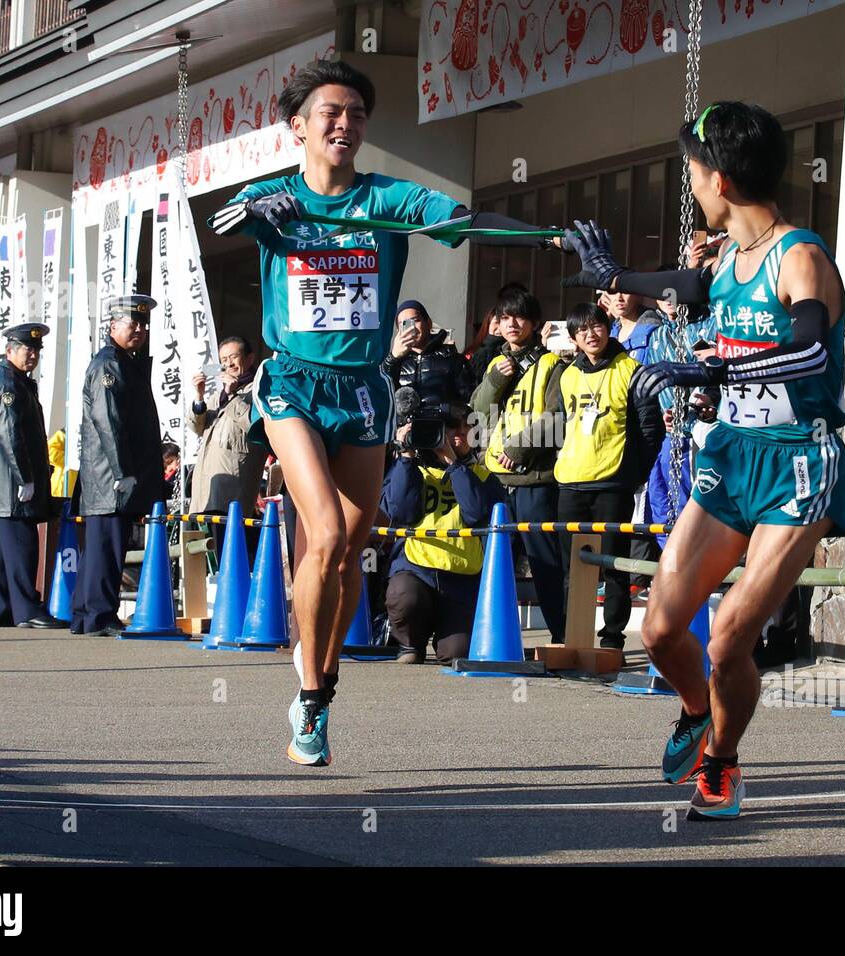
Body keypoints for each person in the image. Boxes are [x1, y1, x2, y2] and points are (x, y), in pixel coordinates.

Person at [206, 60, 562, 767]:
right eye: (330, 113)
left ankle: (322, 669)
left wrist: (546, 237)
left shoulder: (387, 200)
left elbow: (462, 220)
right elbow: (228, 215)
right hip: (293, 384)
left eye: (357, 115)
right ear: (299, 126)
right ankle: (311, 696)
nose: (344, 125)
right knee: (329, 531)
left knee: (346, 550)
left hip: (363, 389)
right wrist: (255, 209)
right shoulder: (275, 196)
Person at [564, 101, 845, 820]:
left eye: (691, 173)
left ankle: (722, 764)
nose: (690, 186)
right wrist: (613, 271)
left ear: (719, 179)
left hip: (797, 464)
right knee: (661, 628)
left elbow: (815, 347)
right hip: (732, 453)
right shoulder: (730, 258)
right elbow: (686, 286)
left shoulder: (801, 255)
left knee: (728, 638)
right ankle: (697, 715)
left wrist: (719, 374)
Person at [547, 302, 663, 652]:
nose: (590, 334)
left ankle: (612, 638)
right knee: (574, 568)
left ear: (607, 327)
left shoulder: (632, 369)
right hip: (571, 481)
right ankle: (572, 637)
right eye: (581, 330)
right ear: (573, 338)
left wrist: (635, 473)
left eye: (596, 326)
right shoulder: (568, 375)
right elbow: (560, 425)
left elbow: (649, 428)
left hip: (613, 482)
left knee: (614, 565)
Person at [469, 287, 568, 644]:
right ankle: (491, 638)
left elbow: (558, 417)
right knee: (495, 562)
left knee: (544, 562)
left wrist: (519, 449)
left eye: (520, 317)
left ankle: (561, 636)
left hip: (533, 479)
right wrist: (496, 380)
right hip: (495, 476)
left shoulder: (551, 364)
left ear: (535, 323)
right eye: (505, 317)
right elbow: (476, 412)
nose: (512, 324)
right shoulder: (495, 362)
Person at [71, 295, 165, 637]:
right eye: (131, 323)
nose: (139, 329)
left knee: (101, 547)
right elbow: (107, 420)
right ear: (112, 327)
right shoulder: (110, 364)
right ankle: (99, 615)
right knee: (106, 547)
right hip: (111, 476)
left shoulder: (123, 361)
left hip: (108, 475)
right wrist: (123, 470)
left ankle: (87, 614)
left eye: (142, 324)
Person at [380, 406, 505, 664]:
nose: (459, 435)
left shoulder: (483, 476)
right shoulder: (412, 469)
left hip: (463, 576)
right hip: (417, 569)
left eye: (465, 428)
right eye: (451, 428)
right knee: (404, 596)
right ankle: (409, 642)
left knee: (457, 653)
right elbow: (401, 512)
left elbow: (476, 514)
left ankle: (444, 637)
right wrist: (405, 455)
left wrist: (453, 464)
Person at [0, 323, 65, 629]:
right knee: (23, 546)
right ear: (10, 350)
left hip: (3, 487)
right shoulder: (8, 384)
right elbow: (10, 434)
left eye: (36, 350)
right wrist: (25, 477)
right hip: (10, 486)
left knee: (3, 552)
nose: (33, 355)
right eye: (27, 349)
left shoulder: (16, 382)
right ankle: (27, 609)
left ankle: (1, 610)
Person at [189, 335, 267, 560]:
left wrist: (233, 395)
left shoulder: (259, 389)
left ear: (250, 358)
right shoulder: (218, 395)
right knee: (208, 553)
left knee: (231, 550)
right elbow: (197, 426)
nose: (229, 364)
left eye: (234, 357)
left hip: (235, 485)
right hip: (207, 487)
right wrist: (199, 396)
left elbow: (256, 426)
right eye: (223, 359)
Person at [382, 299, 471, 404]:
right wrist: (393, 358)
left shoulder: (453, 359)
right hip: (407, 420)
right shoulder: (393, 363)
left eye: (415, 320)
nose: (411, 328)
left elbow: (469, 400)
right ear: (398, 331)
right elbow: (381, 395)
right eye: (404, 324)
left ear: (428, 323)